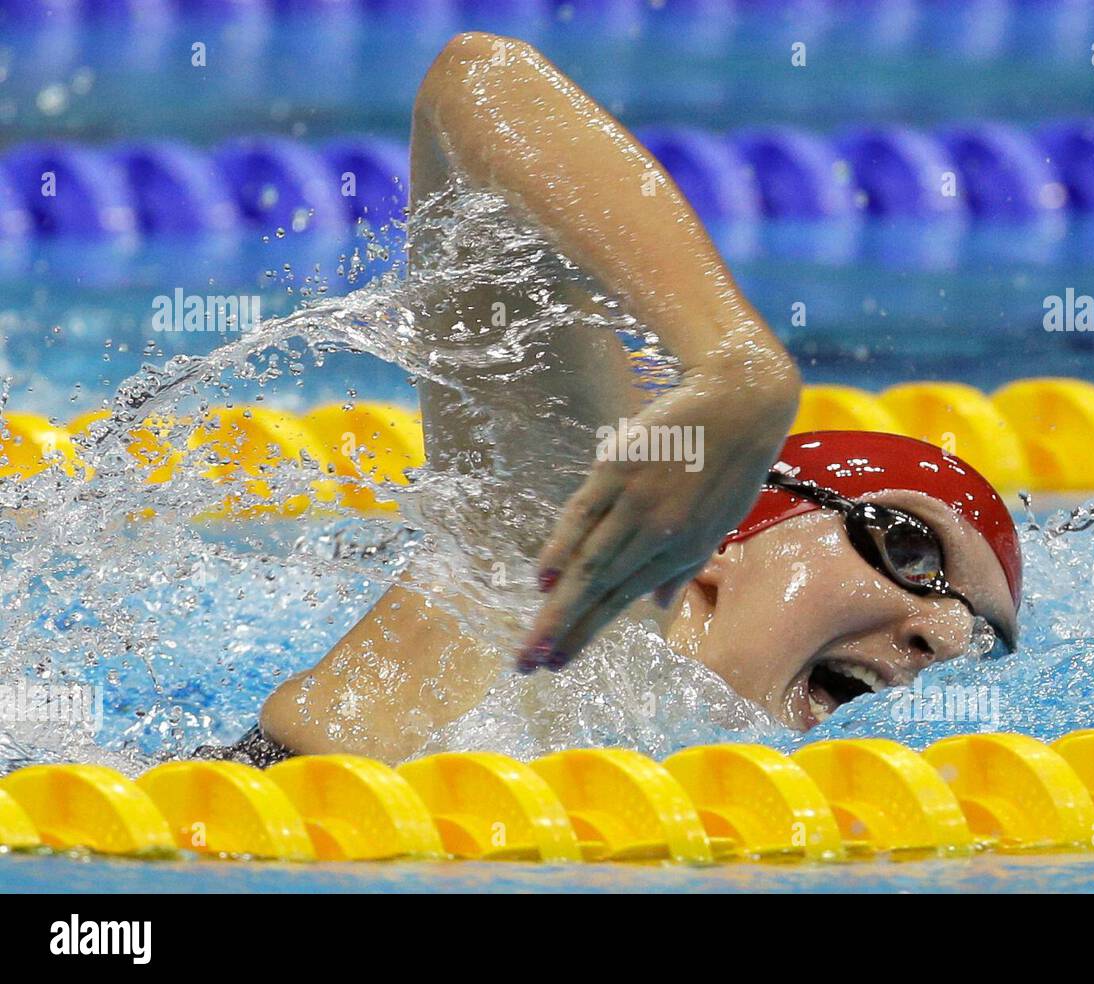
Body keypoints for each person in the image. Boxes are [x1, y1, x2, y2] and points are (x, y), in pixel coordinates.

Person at [198, 33, 1021, 766]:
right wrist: (740, 369)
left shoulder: (700, 763)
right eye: (910, 551)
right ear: (715, 539)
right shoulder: (564, 578)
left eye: (986, 640)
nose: (945, 636)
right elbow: (478, 84)